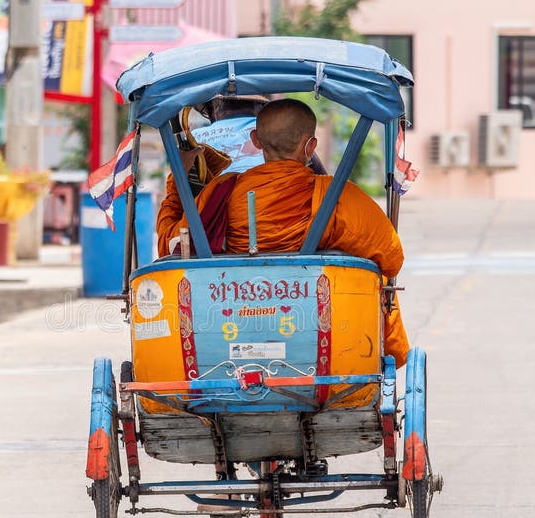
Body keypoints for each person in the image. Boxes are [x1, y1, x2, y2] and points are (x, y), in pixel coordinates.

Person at [157, 97, 409, 367]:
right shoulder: (336, 195)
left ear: (256, 140)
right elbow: (392, 258)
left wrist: (177, 181)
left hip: (230, 320)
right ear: (310, 146)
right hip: (324, 328)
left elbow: (172, 247)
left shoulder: (222, 192)